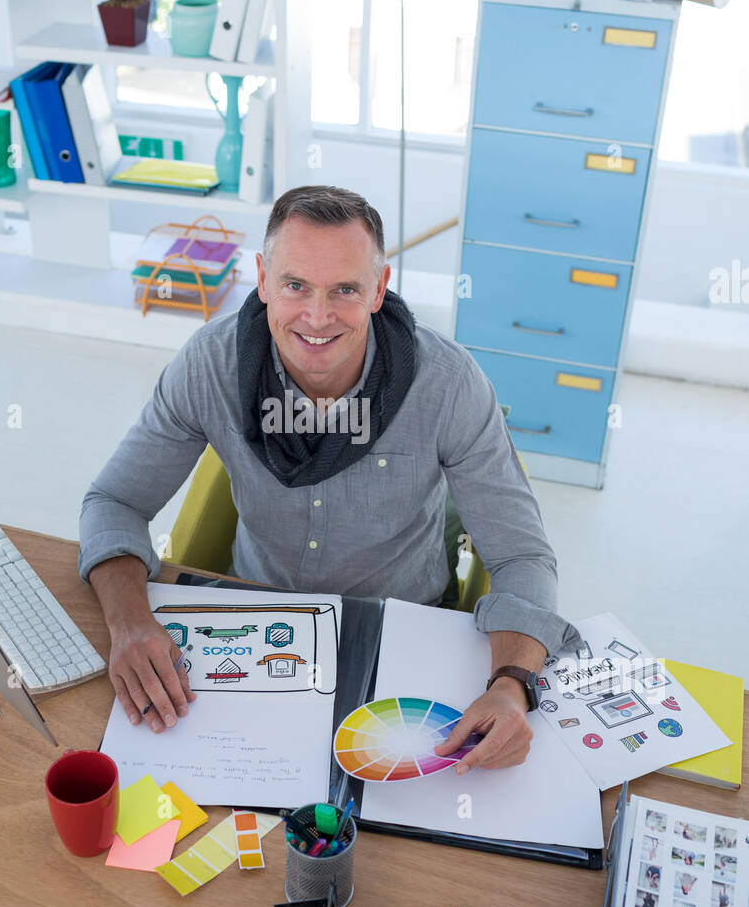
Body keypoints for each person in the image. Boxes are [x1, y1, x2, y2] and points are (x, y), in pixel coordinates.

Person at [79, 186, 580, 770]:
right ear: (262, 279)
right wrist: (130, 622)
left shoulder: (448, 385)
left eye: (345, 289)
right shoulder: (209, 366)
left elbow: (522, 556)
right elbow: (113, 501)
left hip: (401, 628)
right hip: (255, 623)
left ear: (379, 289)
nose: (318, 317)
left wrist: (513, 685)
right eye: (295, 286)